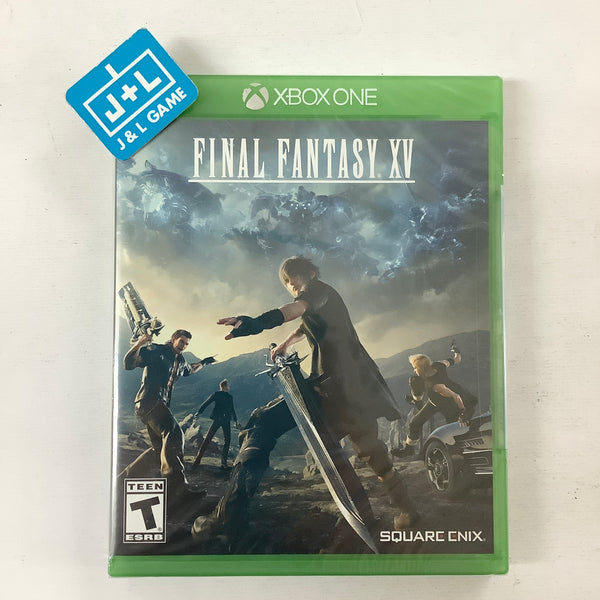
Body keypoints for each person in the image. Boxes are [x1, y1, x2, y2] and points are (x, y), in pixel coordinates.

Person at [191, 256, 417, 546]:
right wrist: (287, 343)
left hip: (332, 391)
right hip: (357, 390)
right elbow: (305, 324)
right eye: (286, 281)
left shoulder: (318, 292)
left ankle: (226, 518)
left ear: (310, 273)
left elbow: (295, 310)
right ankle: (407, 511)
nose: (291, 284)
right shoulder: (326, 302)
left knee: (263, 421)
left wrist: (256, 323)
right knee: (371, 451)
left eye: (294, 276)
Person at [122, 329, 205, 493]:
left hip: (157, 404)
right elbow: (129, 364)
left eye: (186, 344)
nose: (183, 346)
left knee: (158, 450)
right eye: (181, 342)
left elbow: (189, 370)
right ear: (173, 339)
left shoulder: (180, 361)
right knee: (174, 433)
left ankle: (122, 480)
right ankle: (177, 488)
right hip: (148, 400)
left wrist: (204, 363)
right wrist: (139, 343)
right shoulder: (157, 351)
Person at [392, 346, 478, 458]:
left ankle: (459, 456)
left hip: (451, 405)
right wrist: (456, 351)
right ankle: (409, 450)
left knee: (452, 435)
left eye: (415, 368)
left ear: (421, 369)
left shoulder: (437, 386)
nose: (414, 370)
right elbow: (456, 359)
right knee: (414, 423)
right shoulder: (439, 365)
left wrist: (463, 411)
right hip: (434, 402)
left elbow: (455, 396)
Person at [192, 380, 239, 469]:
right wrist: (199, 412)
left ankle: (222, 462)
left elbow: (232, 409)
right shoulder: (221, 395)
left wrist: (235, 420)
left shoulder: (225, 396)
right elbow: (207, 403)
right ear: (224, 386)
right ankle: (199, 460)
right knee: (211, 439)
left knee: (216, 439)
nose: (229, 387)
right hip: (222, 420)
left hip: (222, 420)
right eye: (228, 385)